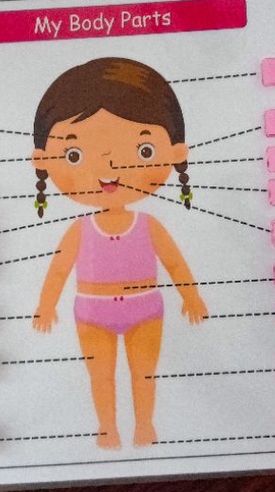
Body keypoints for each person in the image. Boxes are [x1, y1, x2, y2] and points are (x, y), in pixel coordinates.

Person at [31, 58, 207, 448]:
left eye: (143, 149)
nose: (109, 166)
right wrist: (45, 306)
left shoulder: (148, 225)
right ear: (43, 161)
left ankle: (144, 426)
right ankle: (107, 427)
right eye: (75, 155)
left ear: (176, 153)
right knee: (101, 376)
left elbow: (174, 262)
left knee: (144, 374)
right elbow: (59, 270)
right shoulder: (80, 230)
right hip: (92, 312)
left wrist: (191, 296)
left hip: (145, 308)